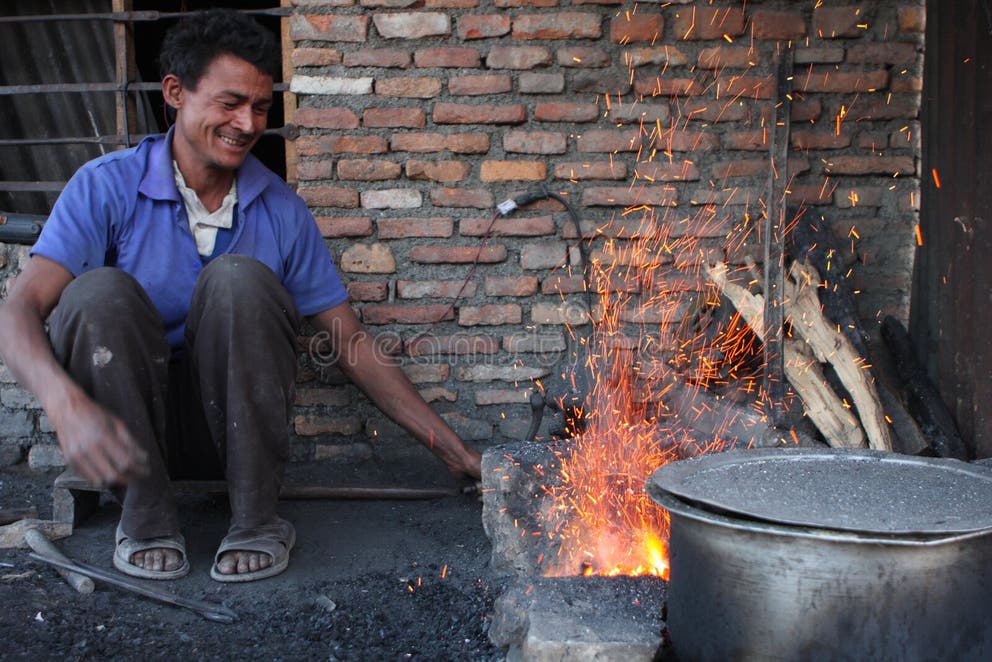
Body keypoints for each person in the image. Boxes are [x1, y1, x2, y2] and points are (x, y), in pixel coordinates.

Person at [0, 9, 481, 582]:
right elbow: (18, 311)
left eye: (260, 107)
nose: (247, 123)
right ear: (175, 93)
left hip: (232, 440)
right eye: (230, 103)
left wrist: (454, 451)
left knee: (238, 279)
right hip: (123, 441)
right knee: (97, 292)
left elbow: (350, 345)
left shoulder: (279, 209)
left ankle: (256, 521)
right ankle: (146, 521)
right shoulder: (106, 186)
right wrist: (65, 403)